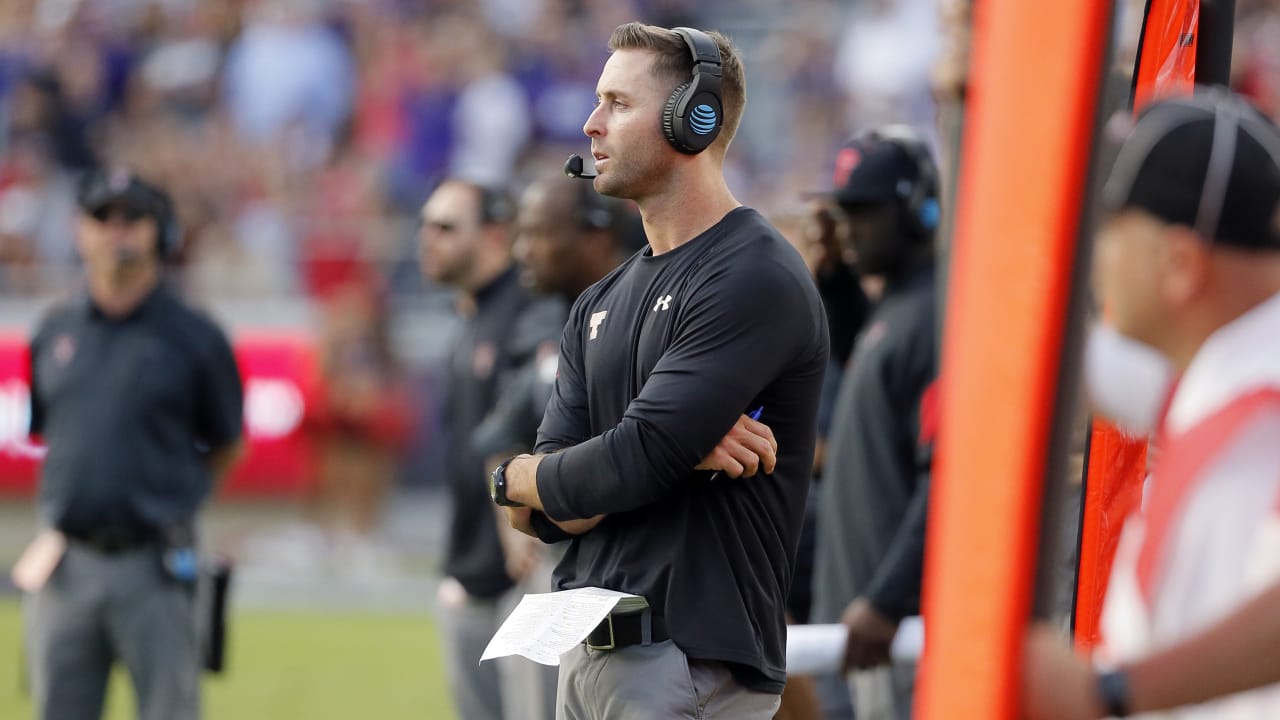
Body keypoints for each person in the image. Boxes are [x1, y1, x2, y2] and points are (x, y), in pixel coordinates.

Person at [489, 23, 830, 718]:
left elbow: (625, 463)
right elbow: (548, 516)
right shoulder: (599, 300)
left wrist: (515, 474)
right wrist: (639, 456)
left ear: (692, 119)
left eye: (617, 103)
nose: (590, 125)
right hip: (589, 655)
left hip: (686, 662)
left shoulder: (752, 274)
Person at [1022, 91, 1280, 720]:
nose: (1094, 260)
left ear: (1181, 266)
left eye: (1109, 232)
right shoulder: (1223, 367)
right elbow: (1045, 344)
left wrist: (1108, 694)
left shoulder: (1253, 427)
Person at [21, 167, 244, 720]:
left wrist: (176, 500)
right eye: (102, 218)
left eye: (132, 220)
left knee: (169, 707)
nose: (115, 232)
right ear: (80, 231)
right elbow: (52, 435)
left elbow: (226, 443)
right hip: (67, 561)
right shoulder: (54, 329)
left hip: (156, 562)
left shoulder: (194, 335)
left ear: (160, 233)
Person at [417, 178, 563, 720]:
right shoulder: (468, 318)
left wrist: (514, 527)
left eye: (446, 227)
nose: (426, 239)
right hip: (471, 571)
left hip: (522, 569)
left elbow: (527, 431)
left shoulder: (530, 312)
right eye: (426, 226)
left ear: (495, 234)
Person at [808, 127, 941, 720]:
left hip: (895, 634)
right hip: (866, 630)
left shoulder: (937, 313)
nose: (849, 228)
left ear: (918, 208)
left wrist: (889, 598)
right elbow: (866, 355)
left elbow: (949, 476)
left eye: (866, 212)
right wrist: (835, 284)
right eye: (843, 212)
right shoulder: (901, 307)